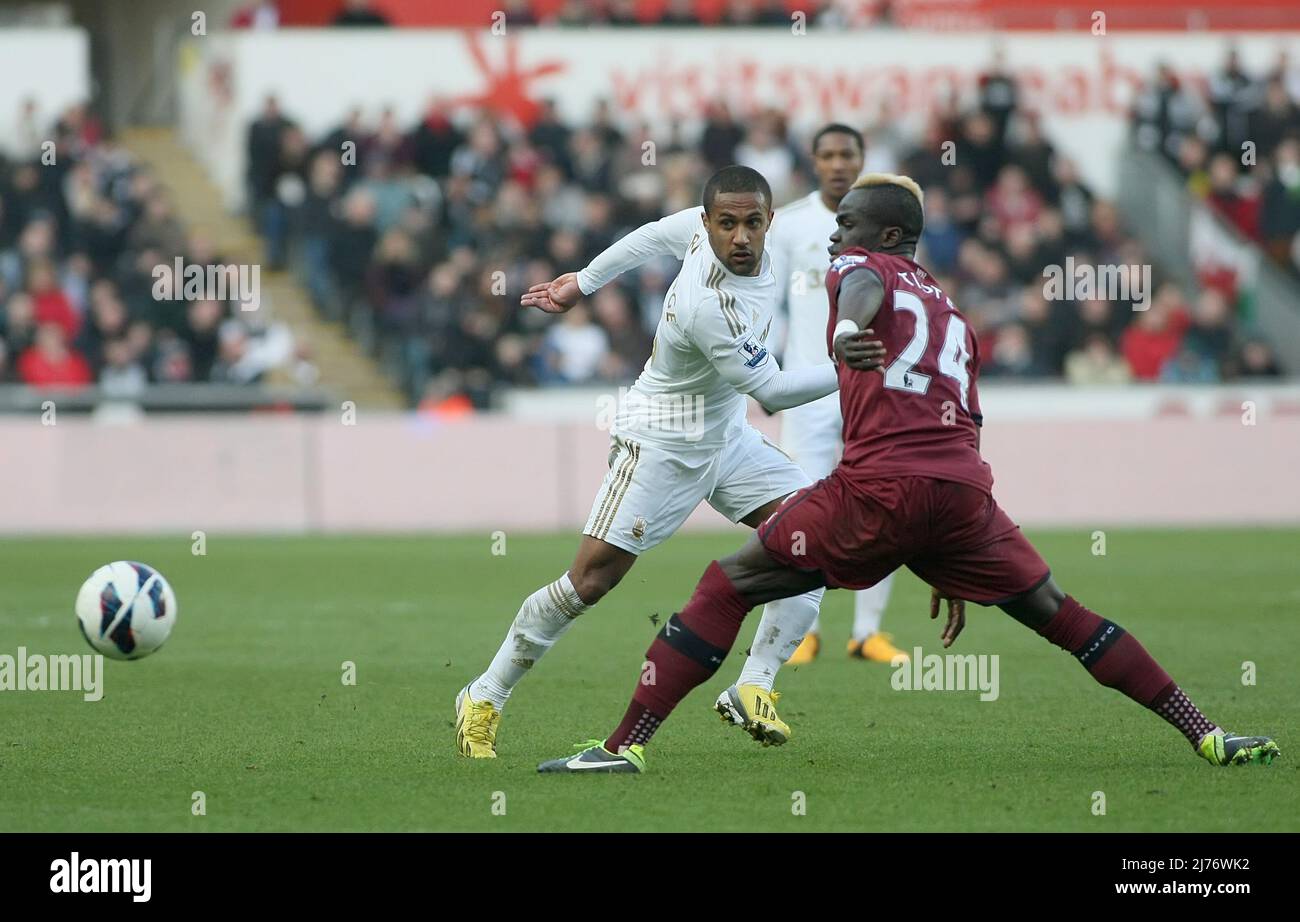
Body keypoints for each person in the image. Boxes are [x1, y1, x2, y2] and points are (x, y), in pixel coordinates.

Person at [538, 172, 1279, 773]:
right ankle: (1206, 732)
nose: (835, 231)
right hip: (962, 495)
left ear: (887, 236)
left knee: (724, 586)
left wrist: (850, 330)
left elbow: (860, 289)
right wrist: (949, 557)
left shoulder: (858, 271)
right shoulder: (953, 315)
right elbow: (969, 418)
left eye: (849, 220)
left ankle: (620, 748)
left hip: (878, 489)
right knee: (1064, 615)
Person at [454, 165, 886, 758]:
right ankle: (484, 694)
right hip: (662, 441)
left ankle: (754, 686)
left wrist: (582, 280)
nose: (739, 236)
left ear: (769, 222)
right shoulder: (707, 304)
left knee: (813, 537)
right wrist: (849, 364)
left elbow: (648, 236)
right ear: (707, 225)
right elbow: (775, 393)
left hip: (726, 438)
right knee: (590, 582)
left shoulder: (713, 232)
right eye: (726, 224)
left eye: (751, 223)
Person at [741, 123, 906, 681]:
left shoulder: (886, 227)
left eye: (848, 155)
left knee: (884, 506)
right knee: (799, 508)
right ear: (813, 162)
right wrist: (762, 377)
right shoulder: (788, 225)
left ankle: (868, 633)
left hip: (875, 388)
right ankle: (802, 633)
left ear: (864, 158)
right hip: (810, 393)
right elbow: (770, 308)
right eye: (828, 155)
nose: (838, 164)